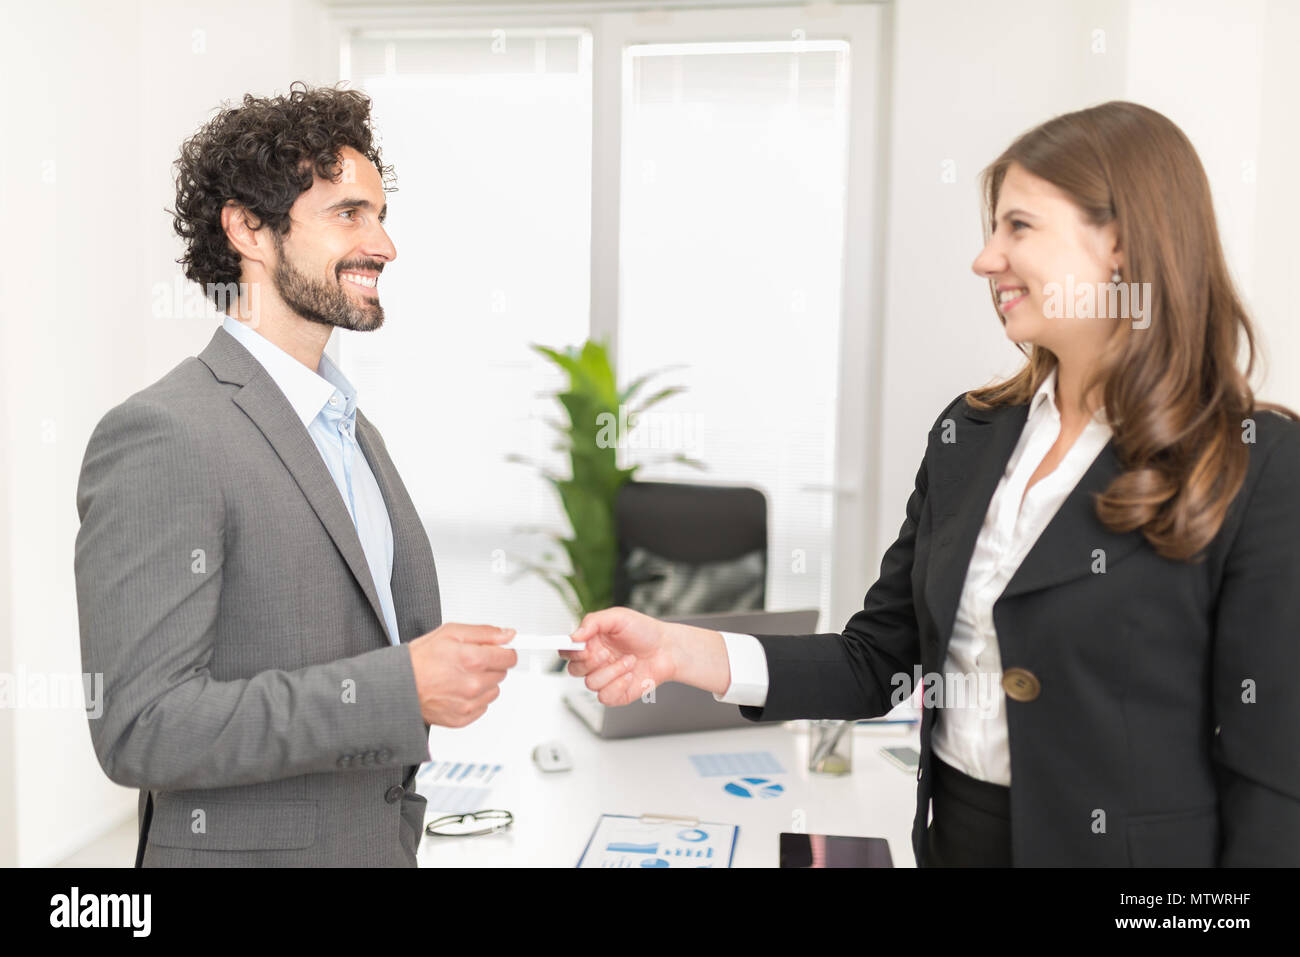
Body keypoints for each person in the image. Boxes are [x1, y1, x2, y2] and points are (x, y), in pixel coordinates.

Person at [562, 101, 1300, 867]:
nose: (986, 259)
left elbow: (1274, 780)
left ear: (1118, 242)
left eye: (1018, 227)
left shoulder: (1254, 462)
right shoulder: (971, 435)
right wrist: (679, 649)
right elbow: (874, 660)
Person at [73, 82, 516, 867]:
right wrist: (400, 689)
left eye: (380, 214)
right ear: (248, 228)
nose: (384, 245)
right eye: (349, 213)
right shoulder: (164, 435)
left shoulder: (349, 427)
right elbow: (140, 725)